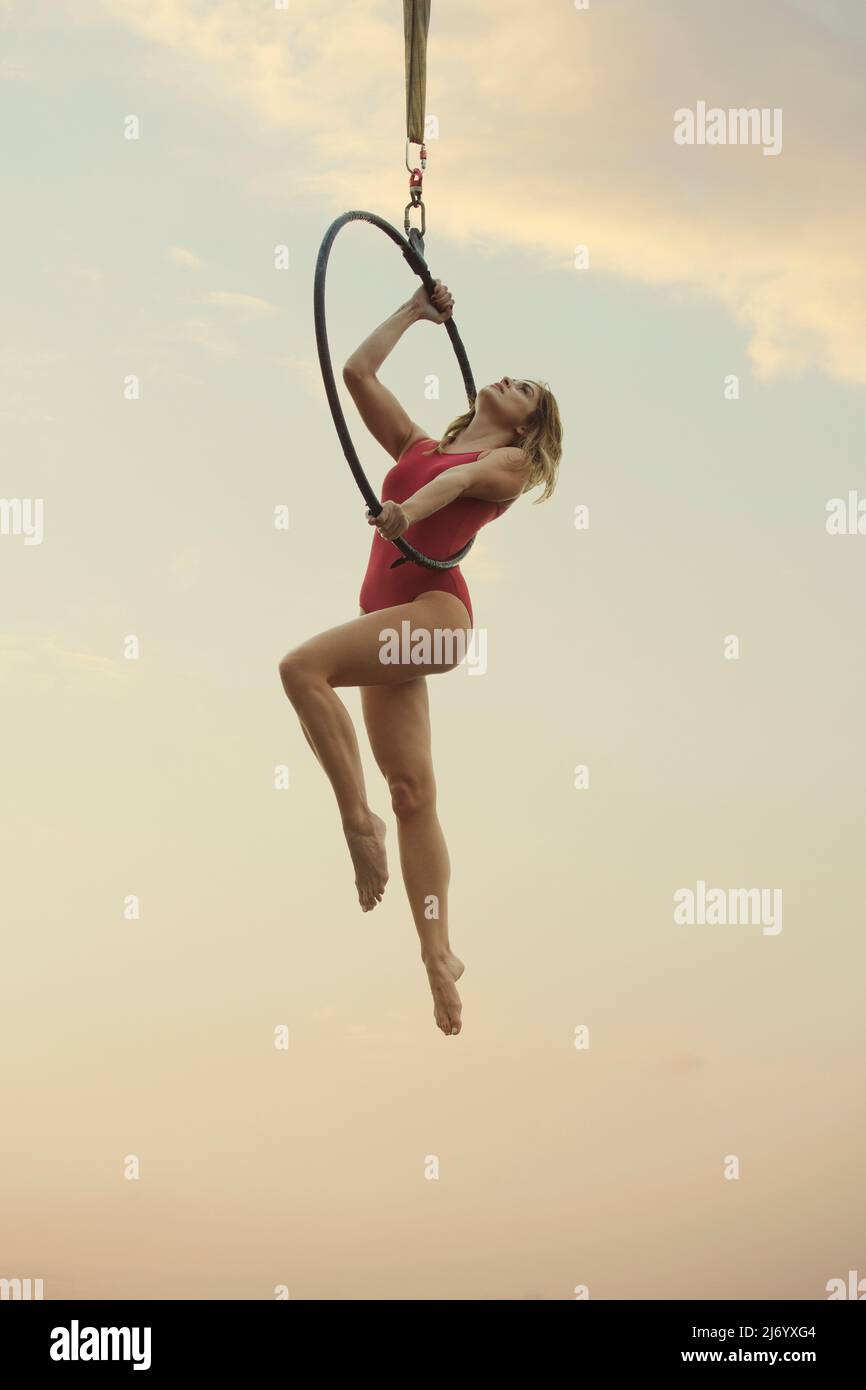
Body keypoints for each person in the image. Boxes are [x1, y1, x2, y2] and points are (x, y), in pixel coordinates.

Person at [279, 279, 562, 1035]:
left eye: (525, 388)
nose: (509, 377)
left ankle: (354, 825)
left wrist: (407, 512)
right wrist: (414, 311)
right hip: (391, 617)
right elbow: (358, 376)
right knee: (413, 792)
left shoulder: (508, 465)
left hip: (435, 618)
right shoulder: (418, 447)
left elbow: (461, 484)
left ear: (527, 424)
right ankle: (439, 957)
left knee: (301, 669)